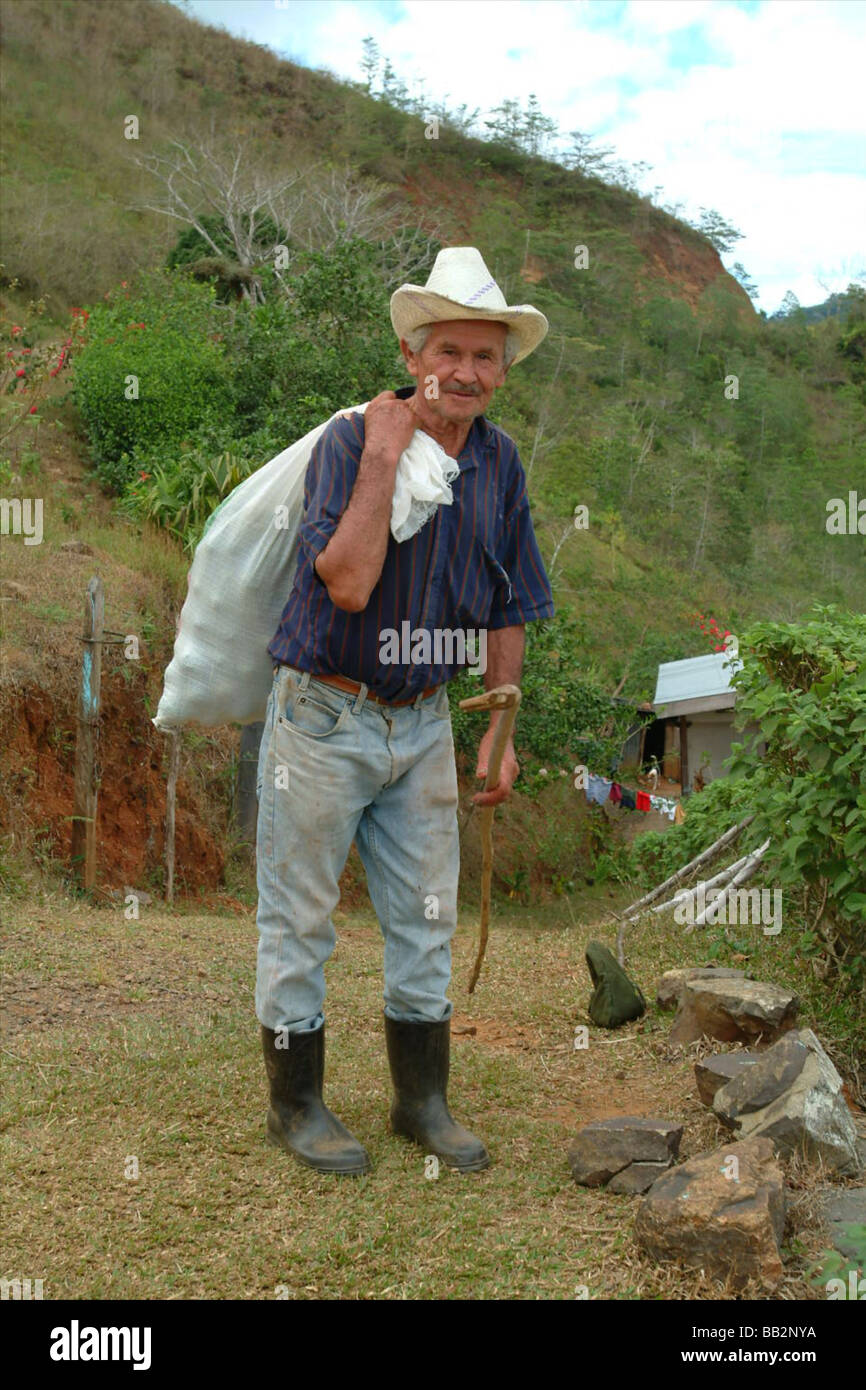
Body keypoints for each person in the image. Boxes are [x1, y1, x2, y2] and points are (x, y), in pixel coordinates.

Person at [256, 246, 555, 1175]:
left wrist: (499, 738)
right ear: (412, 354)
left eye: (486, 356)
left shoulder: (500, 464)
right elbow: (345, 584)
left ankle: (420, 1102)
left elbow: (510, 602)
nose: (467, 372)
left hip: (423, 720)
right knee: (301, 917)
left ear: (503, 370)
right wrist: (386, 458)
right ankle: (296, 1106)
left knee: (427, 918)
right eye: (450, 352)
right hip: (322, 715)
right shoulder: (353, 440)